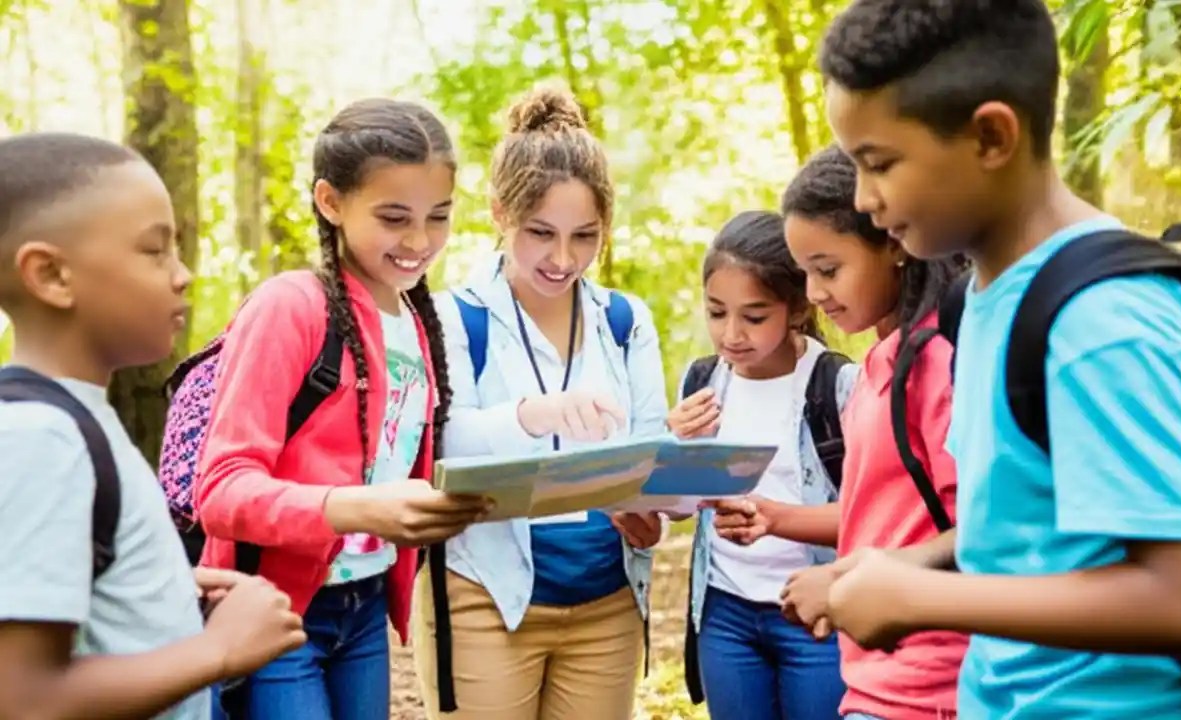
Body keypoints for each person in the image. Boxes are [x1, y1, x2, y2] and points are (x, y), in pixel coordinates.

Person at [815, 1, 1181, 718]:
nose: (865, 200)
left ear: (992, 135)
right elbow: (1041, 526)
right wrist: (915, 560)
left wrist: (921, 598)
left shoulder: (1104, 323)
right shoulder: (983, 301)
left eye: (880, 164)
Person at [194, 99, 489, 719]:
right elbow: (220, 489)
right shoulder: (289, 307)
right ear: (331, 202)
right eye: (394, 217)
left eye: (439, 217)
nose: (420, 241)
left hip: (365, 604)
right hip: (272, 609)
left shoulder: (416, 322)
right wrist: (353, 507)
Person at [0, 132, 305, 720]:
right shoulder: (42, 438)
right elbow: (23, 699)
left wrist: (163, 584)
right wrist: (218, 651)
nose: (183, 275)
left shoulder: (74, 417)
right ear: (51, 275)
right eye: (154, 250)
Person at [411, 84, 668, 720]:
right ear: (500, 213)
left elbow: (652, 450)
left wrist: (652, 515)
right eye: (540, 233)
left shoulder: (625, 320)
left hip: (607, 603)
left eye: (585, 236)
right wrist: (530, 415)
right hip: (483, 598)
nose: (563, 258)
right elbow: (437, 450)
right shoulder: (450, 318)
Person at [708, 147, 968, 720]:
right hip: (876, 680)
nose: (815, 293)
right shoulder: (882, 362)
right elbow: (882, 518)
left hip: (935, 689)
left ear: (893, 243)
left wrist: (840, 580)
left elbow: (984, 532)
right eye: (805, 273)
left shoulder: (937, 361)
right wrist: (779, 519)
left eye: (829, 270)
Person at [666, 210, 855, 720]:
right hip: (725, 612)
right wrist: (675, 446)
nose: (731, 334)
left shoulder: (837, 387)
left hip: (813, 615)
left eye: (753, 317)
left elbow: (871, 517)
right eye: (715, 312)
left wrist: (775, 518)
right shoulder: (702, 381)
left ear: (795, 307)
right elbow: (679, 510)